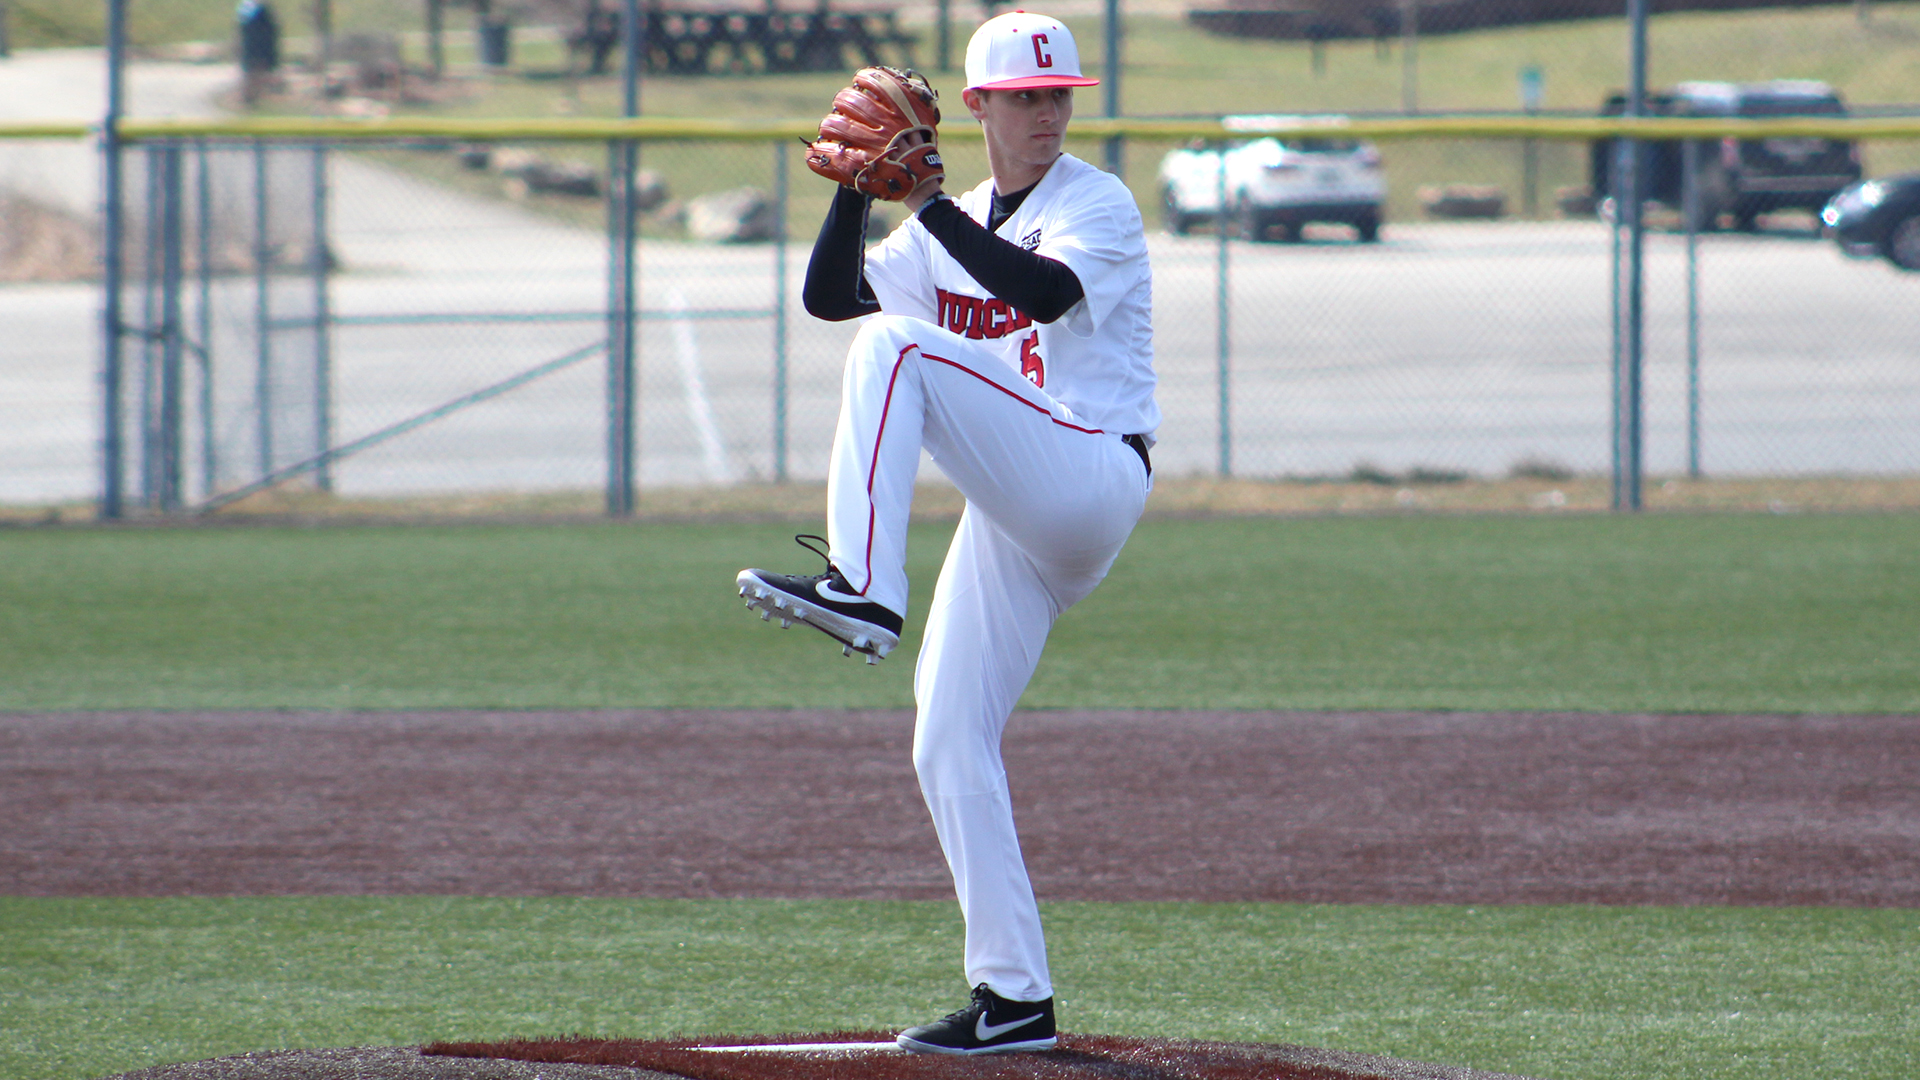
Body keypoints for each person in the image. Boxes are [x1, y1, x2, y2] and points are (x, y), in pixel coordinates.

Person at [734, 9, 1157, 1057]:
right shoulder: (950, 214)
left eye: (1060, 96)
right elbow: (831, 298)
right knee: (946, 738)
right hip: (1016, 506)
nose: (1048, 113)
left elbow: (1045, 293)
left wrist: (921, 204)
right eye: (1025, 98)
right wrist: (854, 186)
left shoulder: (1094, 203)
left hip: (1092, 474)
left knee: (901, 352)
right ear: (978, 108)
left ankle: (866, 584)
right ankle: (1013, 999)